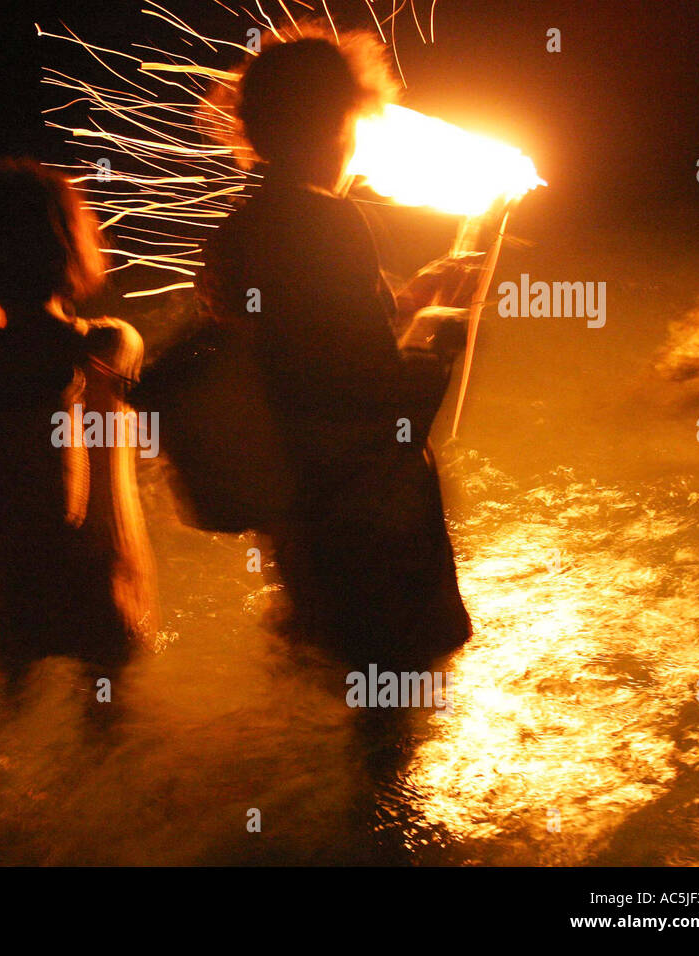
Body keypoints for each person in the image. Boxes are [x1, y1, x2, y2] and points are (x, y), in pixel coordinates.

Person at [197, 29, 480, 663]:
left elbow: (304, 348)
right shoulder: (332, 222)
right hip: (371, 513)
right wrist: (441, 338)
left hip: (301, 513)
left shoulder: (240, 229)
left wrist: (407, 302)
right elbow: (378, 403)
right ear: (335, 126)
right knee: (399, 700)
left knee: (326, 667)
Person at [0, 158, 158, 666]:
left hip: (16, 587)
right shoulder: (110, 345)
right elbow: (110, 485)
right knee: (110, 737)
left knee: (9, 732)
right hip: (97, 578)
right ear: (68, 246)